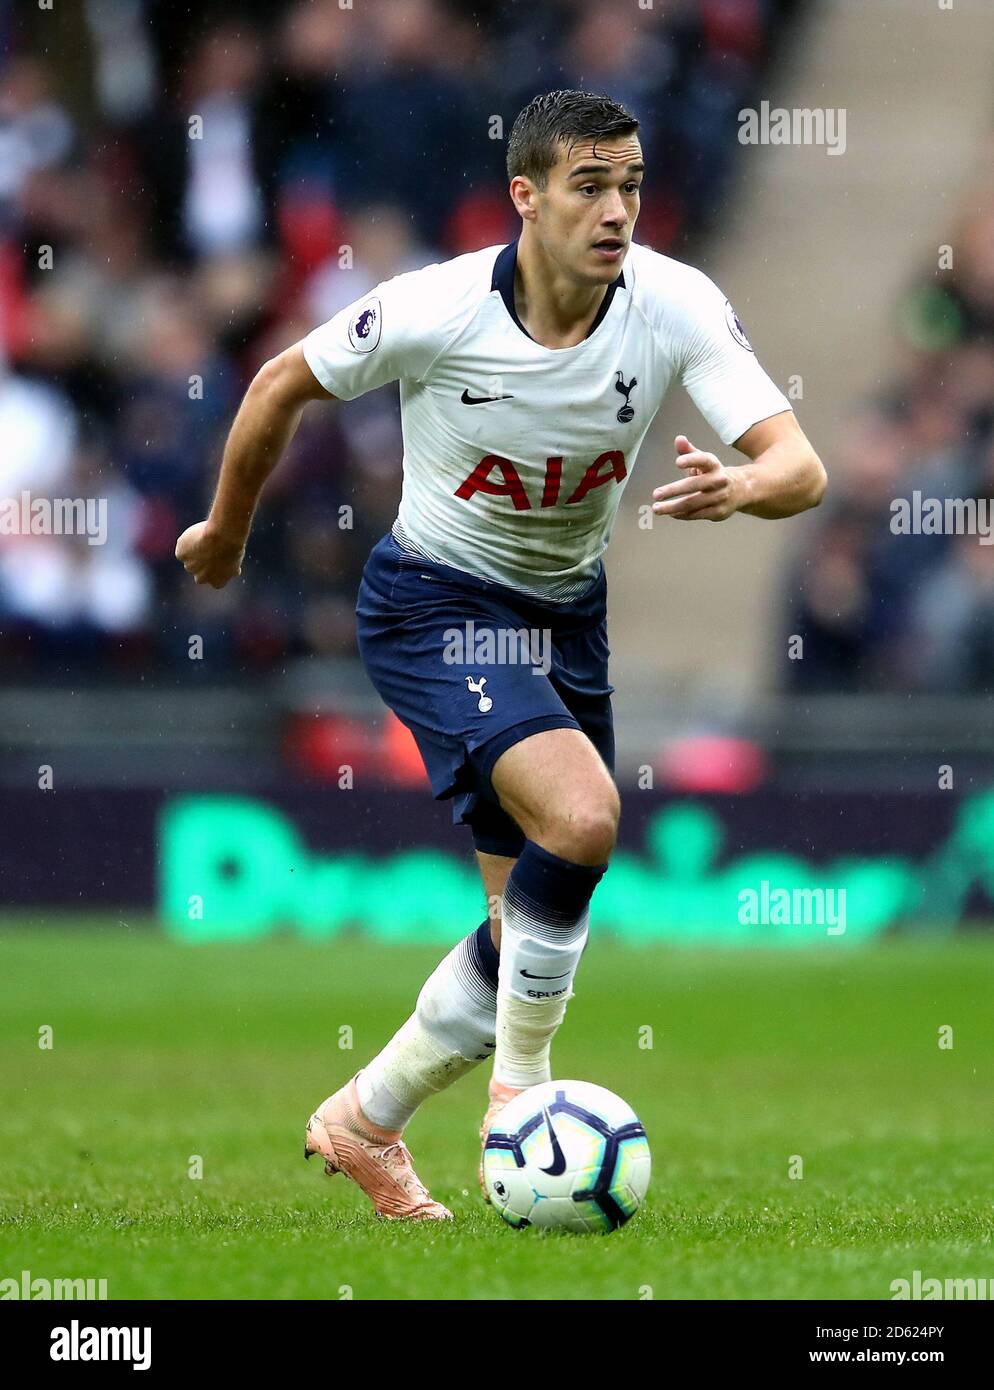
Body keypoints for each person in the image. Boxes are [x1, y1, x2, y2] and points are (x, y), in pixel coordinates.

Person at [176, 90, 826, 1220]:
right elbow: (282, 382)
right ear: (524, 196)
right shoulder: (434, 308)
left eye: (627, 184)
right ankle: (521, 1095)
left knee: (515, 928)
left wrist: (742, 487)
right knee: (579, 821)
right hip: (436, 604)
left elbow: (799, 467)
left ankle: (364, 1123)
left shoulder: (672, 304)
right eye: (588, 186)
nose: (616, 208)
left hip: (566, 617)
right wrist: (227, 532)